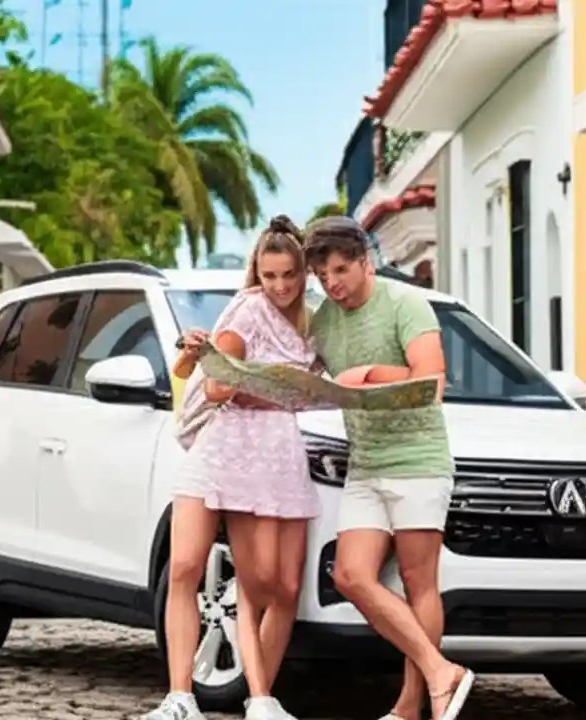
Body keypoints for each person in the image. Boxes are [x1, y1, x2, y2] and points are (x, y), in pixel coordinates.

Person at [144, 216, 319, 720]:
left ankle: (258, 698)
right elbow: (216, 386)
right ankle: (180, 697)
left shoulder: (314, 323)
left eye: (289, 275)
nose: (280, 286)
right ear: (256, 275)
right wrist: (265, 388)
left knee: (270, 584)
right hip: (223, 448)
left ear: (303, 272)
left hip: (276, 454)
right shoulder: (247, 309)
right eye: (270, 276)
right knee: (184, 568)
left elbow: (325, 382)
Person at [303, 215, 473, 720]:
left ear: (365, 260)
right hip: (366, 464)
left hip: (418, 461)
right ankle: (443, 671)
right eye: (322, 275)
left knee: (420, 583)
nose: (332, 283)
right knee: (352, 575)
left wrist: (369, 375)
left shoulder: (406, 303)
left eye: (340, 270)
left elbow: (432, 384)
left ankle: (409, 706)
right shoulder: (324, 323)